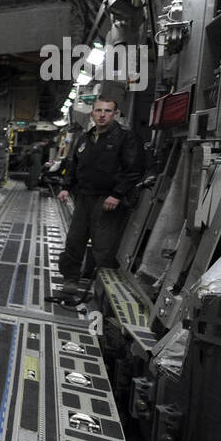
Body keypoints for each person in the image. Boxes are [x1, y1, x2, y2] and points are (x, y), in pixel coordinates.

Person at [56, 96, 147, 297]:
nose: (102, 115)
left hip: (107, 200)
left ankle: (102, 287)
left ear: (115, 114)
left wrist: (117, 194)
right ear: (92, 113)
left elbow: (134, 169)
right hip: (84, 197)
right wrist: (66, 187)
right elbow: (73, 165)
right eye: (98, 111)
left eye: (107, 111)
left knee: (103, 245)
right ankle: (70, 279)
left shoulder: (125, 137)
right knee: (74, 240)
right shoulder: (85, 138)